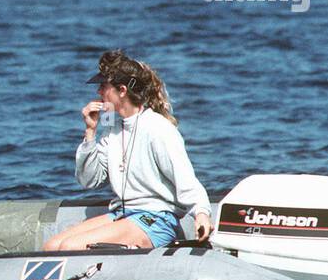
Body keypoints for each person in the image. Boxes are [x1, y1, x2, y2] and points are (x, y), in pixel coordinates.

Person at [44, 50, 212, 251]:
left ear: (122, 90)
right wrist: (90, 132)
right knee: (52, 246)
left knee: (70, 247)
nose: (98, 92)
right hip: (122, 214)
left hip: (155, 219)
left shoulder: (158, 129)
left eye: (103, 86)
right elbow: (90, 181)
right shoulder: (112, 128)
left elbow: (186, 180)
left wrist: (201, 213)